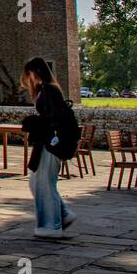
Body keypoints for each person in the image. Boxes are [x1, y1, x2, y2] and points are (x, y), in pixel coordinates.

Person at [20, 57, 78, 239]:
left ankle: (51, 225)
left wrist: (35, 123)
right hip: (45, 141)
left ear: (35, 72)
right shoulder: (47, 90)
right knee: (38, 181)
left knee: (44, 183)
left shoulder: (49, 90)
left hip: (50, 142)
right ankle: (62, 215)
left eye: (29, 74)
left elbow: (55, 118)